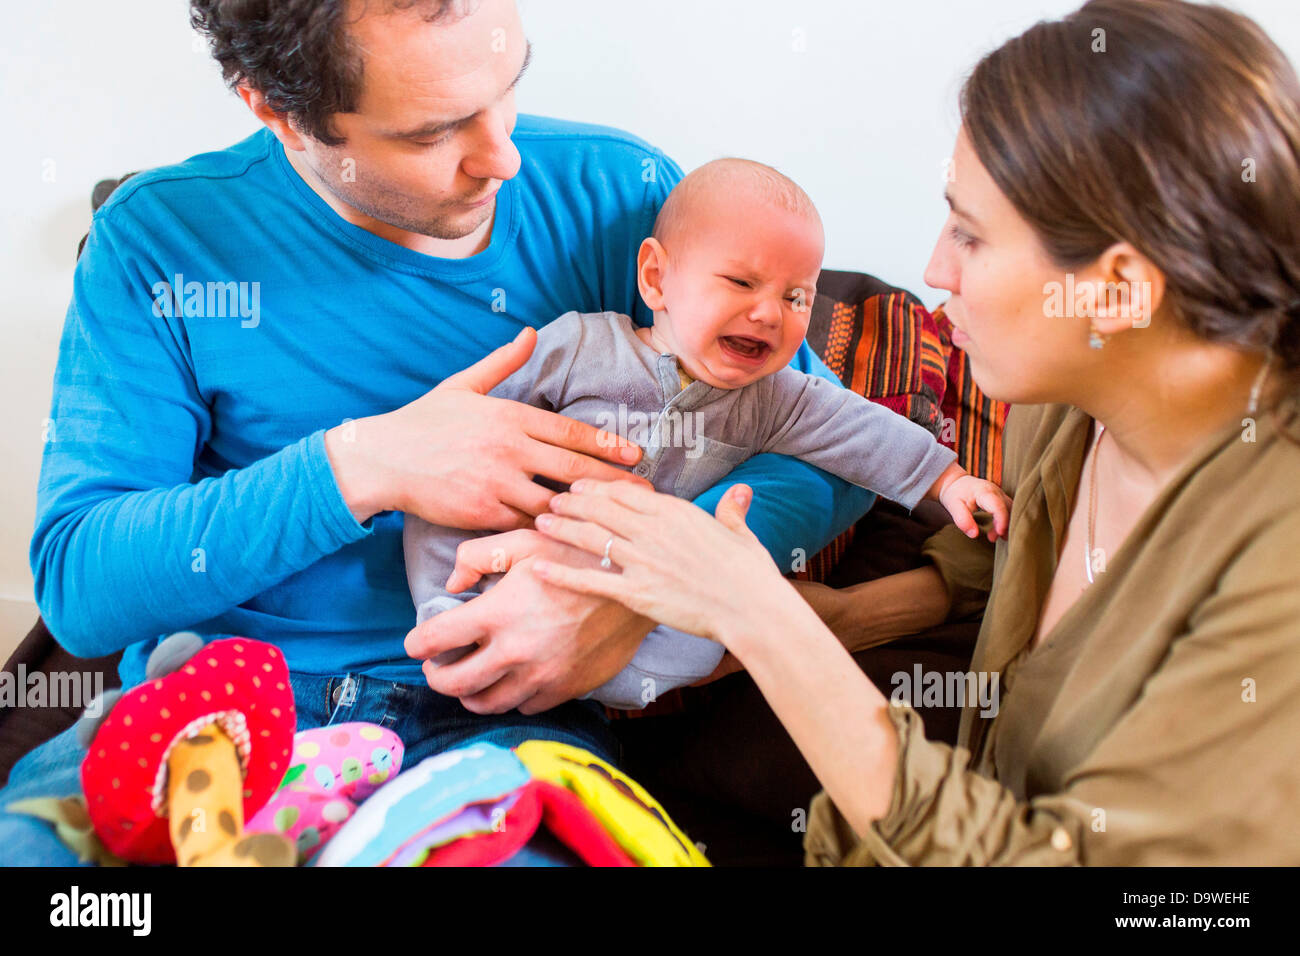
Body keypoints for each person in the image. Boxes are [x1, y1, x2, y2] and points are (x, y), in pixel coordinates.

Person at [0, 0, 871, 864]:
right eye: (431, 133)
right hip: (214, 710)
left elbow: (834, 450)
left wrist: (634, 584)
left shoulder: (624, 199)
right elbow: (83, 584)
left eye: (509, 86)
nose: (504, 156)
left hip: (497, 736)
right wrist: (363, 468)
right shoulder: (160, 241)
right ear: (275, 106)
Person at [507, 0, 1300, 864]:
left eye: (970, 232)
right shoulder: (1065, 398)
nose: (933, 271)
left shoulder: (1274, 570)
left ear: (1113, 292)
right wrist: (858, 613)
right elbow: (994, 532)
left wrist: (761, 614)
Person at [404, 158, 1011, 710]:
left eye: (796, 296)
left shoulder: (774, 399)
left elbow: (862, 430)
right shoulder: (580, 345)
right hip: (524, 540)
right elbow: (482, 430)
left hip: (634, 599)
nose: (769, 312)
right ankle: (452, 623)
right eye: (742, 284)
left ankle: (598, 687)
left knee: (701, 632)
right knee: (450, 509)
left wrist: (948, 480)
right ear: (655, 278)